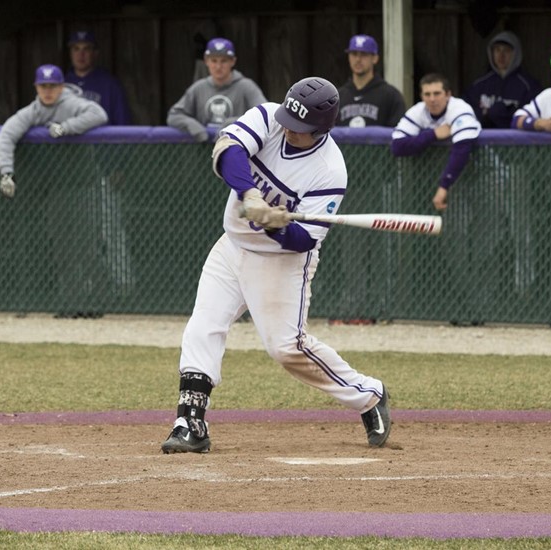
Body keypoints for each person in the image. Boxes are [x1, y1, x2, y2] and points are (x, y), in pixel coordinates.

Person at [160, 76, 391, 454]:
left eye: (299, 128)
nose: (288, 128)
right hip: (232, 245)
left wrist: (277, 226)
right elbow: (227, 149)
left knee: (286, 348)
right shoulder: (268, 117)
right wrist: (249, 192)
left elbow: (304, 240)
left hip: (281, 263)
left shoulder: (330, 171)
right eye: (288, 118)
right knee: (203, 326)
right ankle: (190, 422)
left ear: (322, 129)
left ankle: (368, 394)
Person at [0, 64, 108, 197]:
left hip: (86, 182)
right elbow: (5, 137)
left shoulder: (71, 103)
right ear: (36, 87)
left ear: (61, 87)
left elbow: (99, 114)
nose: (47, 91)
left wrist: (65, 127)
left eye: (52, 86)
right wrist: (6, 172)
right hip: (53, 185)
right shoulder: (33, 111)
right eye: (43, 86)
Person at [391, 73, 481, 211]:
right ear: (422, 96)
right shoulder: (419, 110)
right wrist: (432, 134)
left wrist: (444, 186)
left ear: (448, 94)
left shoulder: (460, 108)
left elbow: (462, 149)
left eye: (437, 93)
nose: (432, 99)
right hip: (437, 178)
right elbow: (397, 147)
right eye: (427, 94)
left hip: (480, 174)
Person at [167, 37, 267, 142]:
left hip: (238, 148)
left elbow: (264, 116)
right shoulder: (198, 88)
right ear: (206, 61)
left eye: (223, 61)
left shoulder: (247, 86)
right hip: (204, 150)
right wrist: (193, 125)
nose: (218, 66)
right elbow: (174, 115)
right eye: (214, 61)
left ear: (233, 61)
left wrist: (235, 123)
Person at [464, 30, 541, 129]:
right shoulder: (479, 85)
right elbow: (465, 111)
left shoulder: (529, 86)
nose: (501, 55)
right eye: (497, 50)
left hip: (516, 141)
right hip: (482, 140)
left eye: (507, 51)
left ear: (516, 54)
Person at [336, 34, 406, 127]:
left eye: (363, 54)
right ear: (349, 57)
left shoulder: (390, 95)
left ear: (375, 58)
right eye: (354, 54)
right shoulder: (338, 96)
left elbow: (398, 134)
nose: (358, 59)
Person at [64, 30, 133, 125]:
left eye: (86, 49)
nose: (81, 54)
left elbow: (122, 123)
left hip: (101, 139)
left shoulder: (109, 84)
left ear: (95, 53)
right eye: (76, 49)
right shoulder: (60, 85)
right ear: (70, 53)